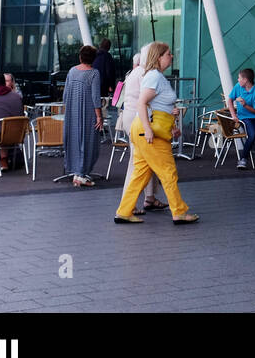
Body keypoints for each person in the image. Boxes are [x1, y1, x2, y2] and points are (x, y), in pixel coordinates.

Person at [114, 42, 197, 224]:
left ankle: (124, 210)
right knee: (168, 171)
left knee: (141, 173)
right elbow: (142, 103)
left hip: (147, 130)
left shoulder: (155, 76)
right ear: (159, 57)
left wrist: (170, 121)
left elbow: (155, 104)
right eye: (168, 54)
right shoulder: (154, 77)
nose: (171, 56)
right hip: (149, 132)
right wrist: (149, 130)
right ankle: (179, 212)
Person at [115, 47, 166, 214]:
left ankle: (149, 198)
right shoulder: (147, 73)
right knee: (136, 162)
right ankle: (128, 204)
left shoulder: (134, 72)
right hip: (139, 120)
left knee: (146, 159)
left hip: (130, 118)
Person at [62, 45, 103, 187]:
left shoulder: (72, 71)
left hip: (72, 113)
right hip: (88, 113)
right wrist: (99, 117)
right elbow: (95, 97)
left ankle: (77, 173)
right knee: (89, 141)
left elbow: (65, 95)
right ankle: (81, 174)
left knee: (74, 140)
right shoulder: (94, 73)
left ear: (80, 57)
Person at [227, 68, 255, 170]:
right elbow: (229, 100)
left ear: (245, 80)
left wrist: (245, 105)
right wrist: (233, 115)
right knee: (252, 135)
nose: (238, 80)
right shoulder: (238, 87)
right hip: (244, 117)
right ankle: (243, 158)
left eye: (239, 78)